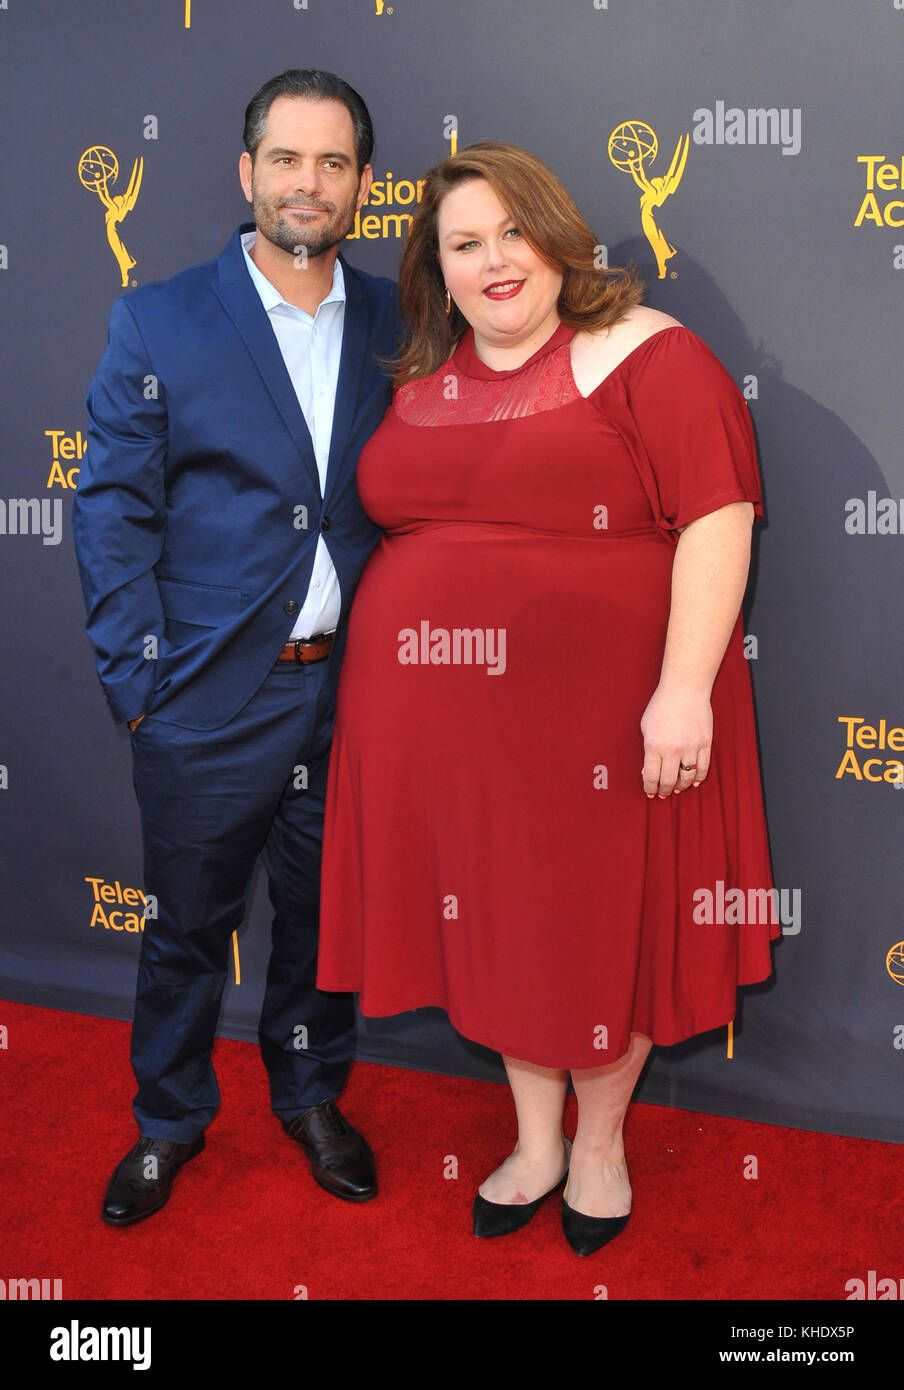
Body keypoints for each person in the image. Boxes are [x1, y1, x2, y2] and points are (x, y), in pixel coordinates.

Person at [316, 142, 780, 1256]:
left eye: (510, 233)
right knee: (505, 932)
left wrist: (681, 692)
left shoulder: (650, 352)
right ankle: (533, 1138)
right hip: (449, 740)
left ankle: (601, 1144)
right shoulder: (422, 375)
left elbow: (717, 515)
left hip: (604, 727)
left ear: (557, 237)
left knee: (592, 933)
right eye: (463, 244)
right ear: (439, 266)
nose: (493, 262)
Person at [72, 69, 401, 1225]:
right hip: (207, 695)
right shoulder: (159, 318)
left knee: (323, 921)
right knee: (186, 929)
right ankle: (169, 1119)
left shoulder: (402, 321)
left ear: (363, 184)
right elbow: (112, 508)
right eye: (285, 158)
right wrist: (140, 680)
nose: (306, 183)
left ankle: (310, 1094)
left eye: (331, 163)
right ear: (245, 171)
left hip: (350, 695)